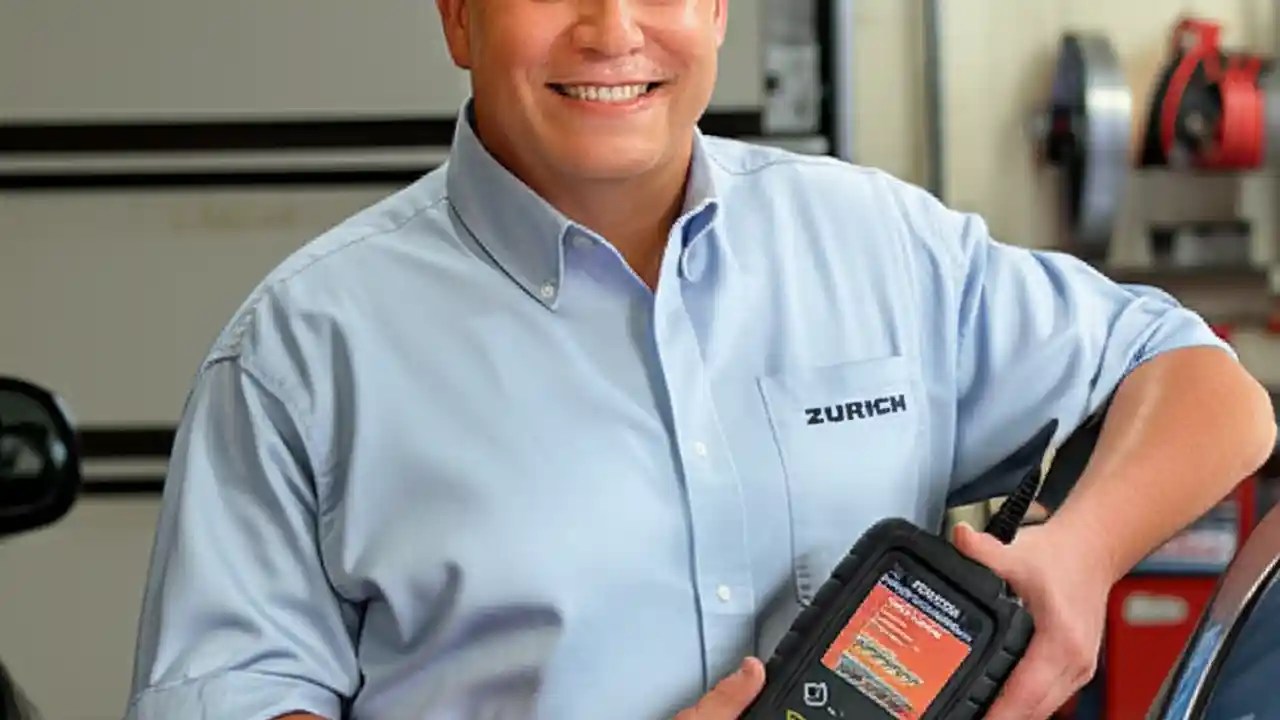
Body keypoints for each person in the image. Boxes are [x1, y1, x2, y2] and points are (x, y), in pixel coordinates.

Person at [123, 1, 1277, 719]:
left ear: (718, 11)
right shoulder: (302, 352)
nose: (611, 29)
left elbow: (1202, 383)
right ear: (457, 17)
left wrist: (1075, 558)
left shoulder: (876, 244)